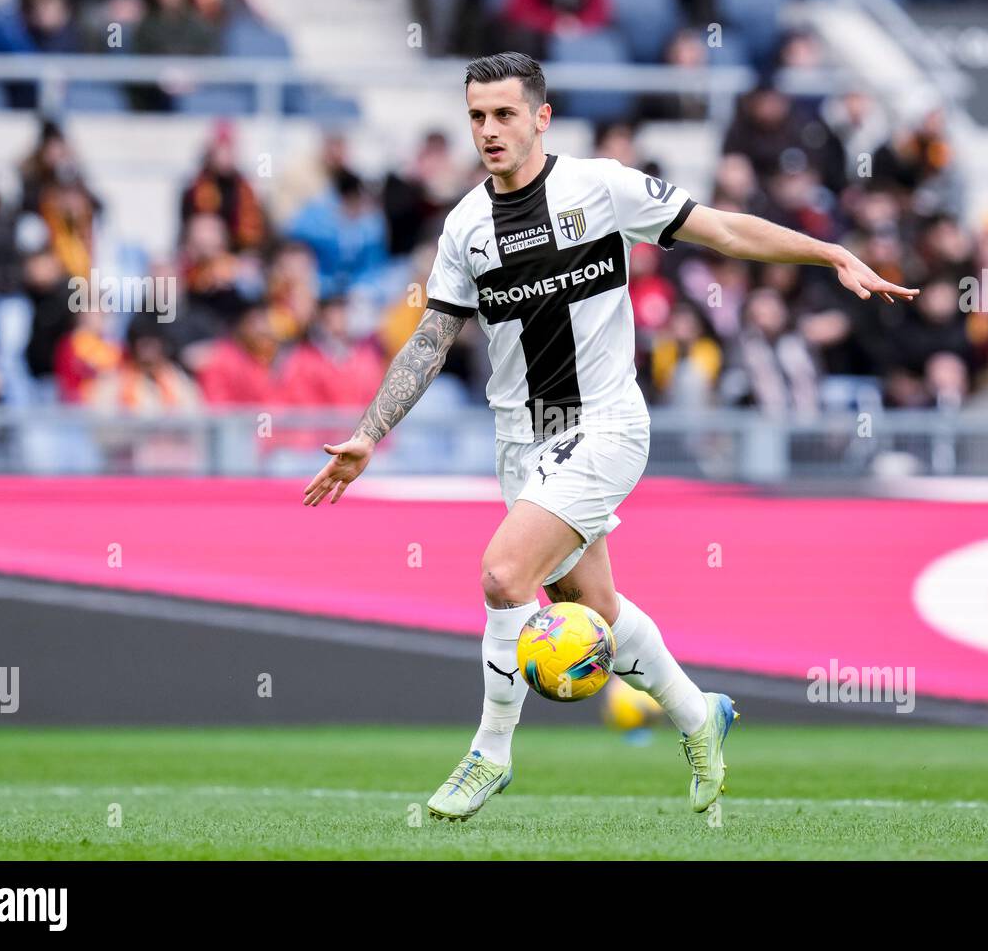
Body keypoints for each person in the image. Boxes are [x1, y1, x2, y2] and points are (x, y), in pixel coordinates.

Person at [301, 52, 917, 821]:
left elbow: (723, 230)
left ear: (540, 117)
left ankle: (489, 752)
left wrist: (828, 252)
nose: (489, 130)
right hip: (521, 441)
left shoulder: (602, 187)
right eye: (476, 117)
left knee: (501, 576)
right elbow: (430, 340)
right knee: (595, 606)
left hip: (605, 425)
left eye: (503, 114)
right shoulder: (464, 226)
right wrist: (368, 433)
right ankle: (700, 715)